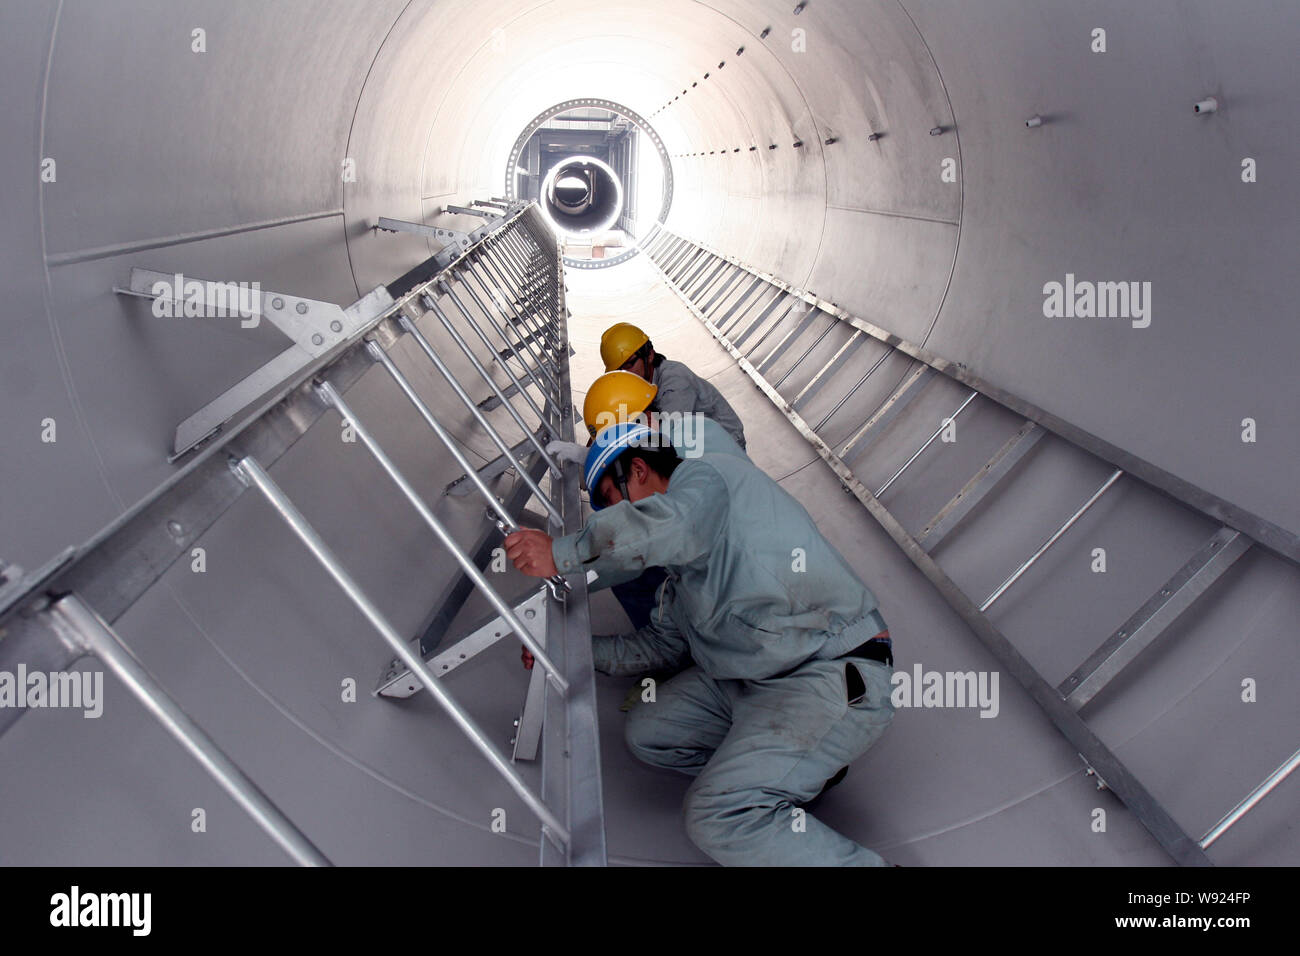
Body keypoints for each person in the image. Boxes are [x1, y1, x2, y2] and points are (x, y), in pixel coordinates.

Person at [505, 422, 896, 866]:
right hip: (752, 680)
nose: (612, 517)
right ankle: (790, 774)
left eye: (613, 503)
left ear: (637, 469)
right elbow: (662, 645)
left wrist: (562, 553)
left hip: (829, 671)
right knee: (649, 731)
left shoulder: (708, 478)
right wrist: (571, 650)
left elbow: (666, 527)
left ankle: (759, 796)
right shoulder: (682, 571)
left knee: (715, 816)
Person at [599, 322, 746, 449]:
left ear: (649, 355)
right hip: (694, 440)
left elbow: (666, 438)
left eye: (629, 364)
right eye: (619, 370)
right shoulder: (640, 383)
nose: (625, 374)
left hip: (725, 444)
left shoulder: (675, 380)